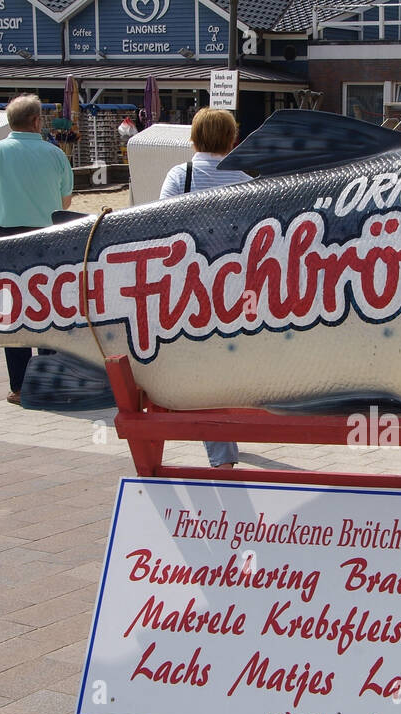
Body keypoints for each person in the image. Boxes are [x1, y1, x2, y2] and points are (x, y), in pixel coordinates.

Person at [160, 107, 251, 469]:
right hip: (235, 287)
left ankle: (223, 450)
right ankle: (226, 444)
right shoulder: (245, 181)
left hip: (190, 287)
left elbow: (163, 227)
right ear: (233, 141)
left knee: (207, 369)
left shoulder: (178, 176)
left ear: (194, 139)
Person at [0, 93, 74, 404]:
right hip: (48, 238)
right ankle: (47, 382)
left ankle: (20, 386)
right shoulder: (54, 153)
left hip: (9, 239)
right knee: (46, 309)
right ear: (36, 121)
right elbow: (66, 202)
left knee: (13, 311)